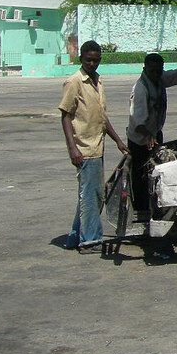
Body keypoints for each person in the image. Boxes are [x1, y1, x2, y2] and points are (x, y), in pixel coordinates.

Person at [59, 40, 128, 252]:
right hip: (84, 148)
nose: (92, 64)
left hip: (98, 145)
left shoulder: (97, 81)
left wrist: (117, 140)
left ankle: (75, 237)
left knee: (89, 194)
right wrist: (73, 148)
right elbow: (65, 115)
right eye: (89, 60)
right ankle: (89, 241)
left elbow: (101, 117)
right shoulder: (74, 82)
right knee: (92, 196)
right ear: (81, 58)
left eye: (96, 60)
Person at [126, 40, 177, 219]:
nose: (155, 74)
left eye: (158, 71)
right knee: (140, 177)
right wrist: (149, 137)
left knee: (156, 173)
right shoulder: (141, 89)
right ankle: (141, 214)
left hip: (153, 133)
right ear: (144, 69)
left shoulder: (160, 79)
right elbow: (138, 122)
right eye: (151, 71)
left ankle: (153, 209)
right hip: (140, 138)